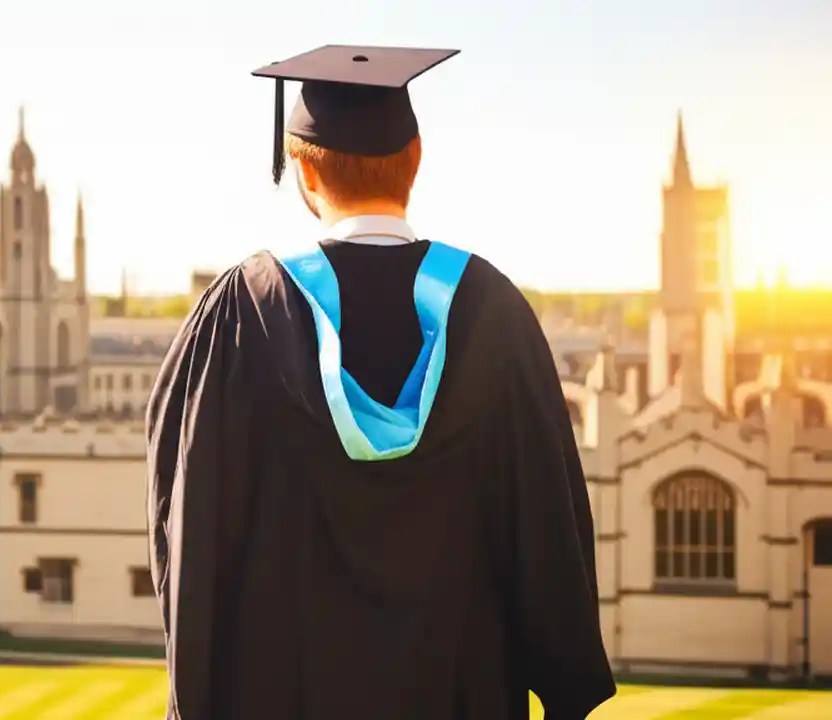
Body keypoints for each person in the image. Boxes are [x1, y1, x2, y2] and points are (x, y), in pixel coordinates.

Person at [145, 45, 616, 719]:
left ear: (302, 173)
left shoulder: (242, 314)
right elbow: (548, 527)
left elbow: (188, 518)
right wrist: (564, 678)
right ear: (416, 157)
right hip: (459, 693)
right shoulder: (493, 314)